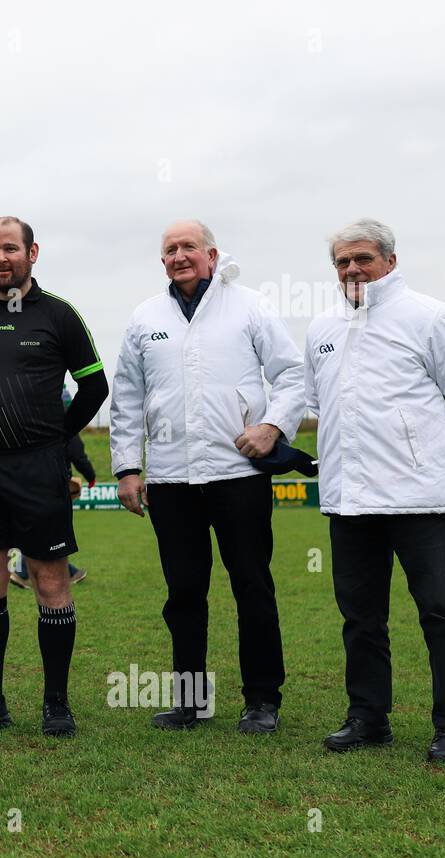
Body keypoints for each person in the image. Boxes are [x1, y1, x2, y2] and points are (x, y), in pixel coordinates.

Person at [306, 219, 445, 762]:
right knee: (360, 615)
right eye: (341, 262)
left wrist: (437, 460)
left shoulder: (431, 317)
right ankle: (368, 717)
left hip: (419, 500)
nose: (351, 269)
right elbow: (322, 405)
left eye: (362, 258)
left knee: (438, 612)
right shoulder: (322, 327)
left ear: (389, 260)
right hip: (349, 501)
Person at [110, 221, 305, 734]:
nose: (179, 256)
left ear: (212, 255)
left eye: (188, 247)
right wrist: (128, 467)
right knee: (184, 595)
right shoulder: (144, 318)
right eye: (170, 249)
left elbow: (291, 373)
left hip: (237, 473)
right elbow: (127, 397)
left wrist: (273, 425)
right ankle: (191, 701)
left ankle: (262, 700)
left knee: (252, 587)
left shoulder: (250, 305)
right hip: (172, 481)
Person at [0, 216, 108, 738]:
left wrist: (52, 438)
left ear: (33, 253)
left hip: (39, 468)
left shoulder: (59, 315)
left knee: (51, 579)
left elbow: (94, 388)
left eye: (11, 248)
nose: (1, 258)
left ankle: (56, 702)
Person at [11, 390, 94, 588]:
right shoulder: (66, 423)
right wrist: (90, 476)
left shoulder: (28, 419)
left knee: (38, 528)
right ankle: (23, 571)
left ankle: (58, 571)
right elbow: (76, 453)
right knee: (54, 531)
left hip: (25, 480)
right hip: (53, 483)